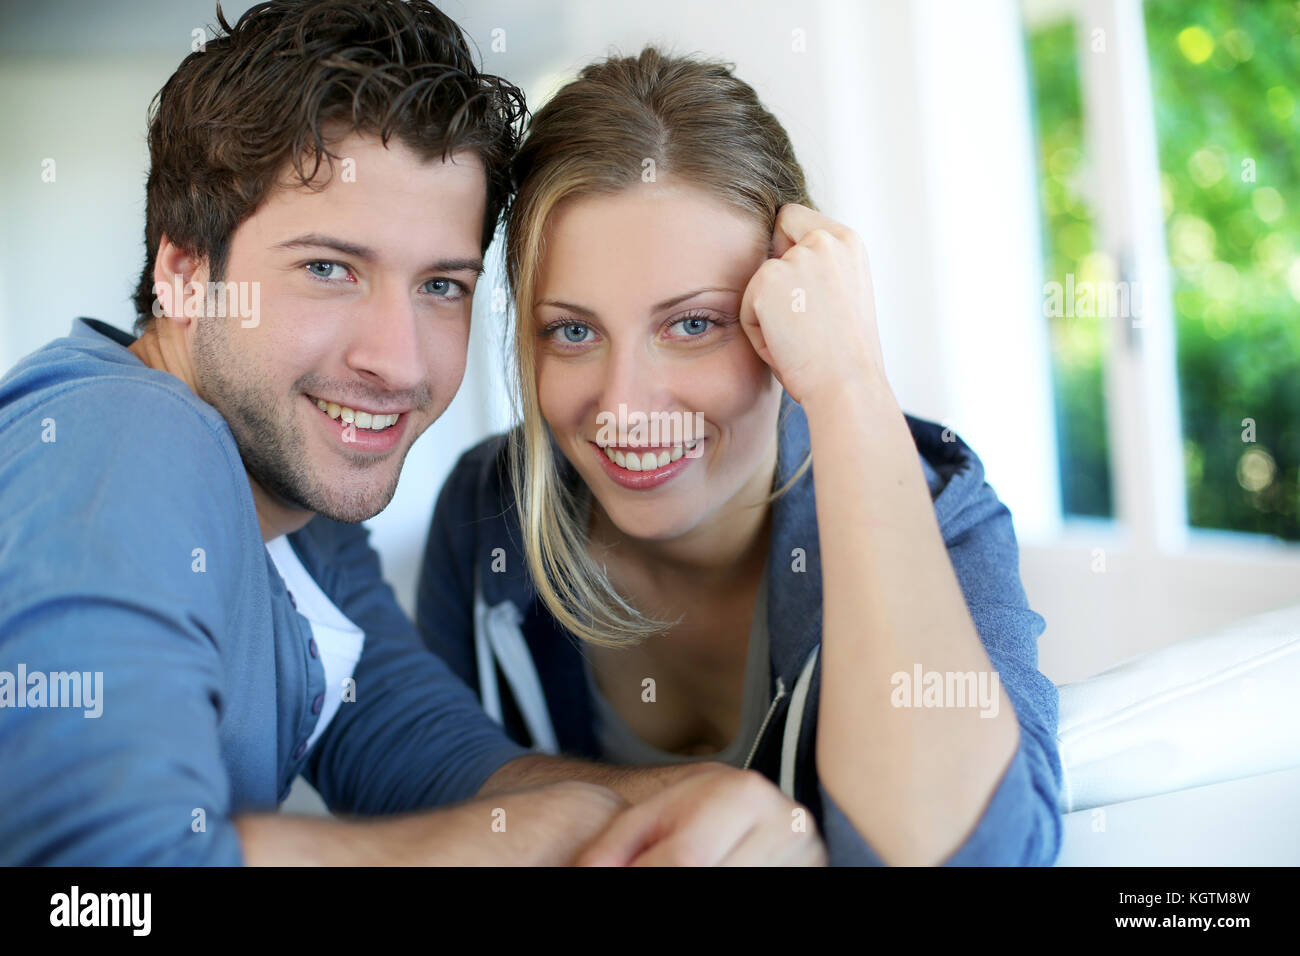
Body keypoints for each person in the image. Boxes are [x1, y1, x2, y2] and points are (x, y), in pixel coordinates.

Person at [0, 2, 823, 866]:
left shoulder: (297, 522)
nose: (397, 363)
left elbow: (451, 770)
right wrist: (507, 846)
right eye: (328, 269)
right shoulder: (130, 438)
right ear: (183, 272)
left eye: (441, 285)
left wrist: (740, 809)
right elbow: (93, 883)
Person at [417, 46, 1066, 866]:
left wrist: (849, 379)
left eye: (693, 325)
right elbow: (433, 797)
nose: (623, 405)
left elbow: (973, 853)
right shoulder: (488, 512)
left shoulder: (936, 511)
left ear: (787, 310)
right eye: (572, 331)